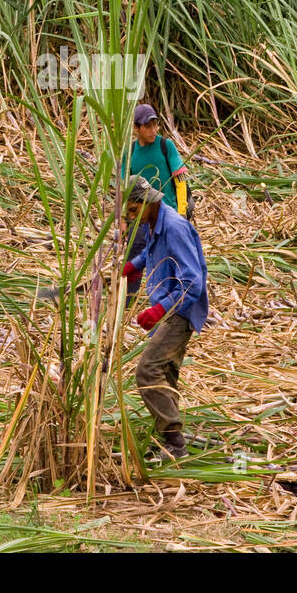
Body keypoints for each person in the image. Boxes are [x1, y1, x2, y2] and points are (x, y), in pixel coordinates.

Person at [121, 175, 208, 460]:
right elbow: (150, 252)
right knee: (165, 372)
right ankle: (173, 437)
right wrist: (132, 266)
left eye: (134, 211)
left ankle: (175, 443)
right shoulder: (154, 222)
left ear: (148, 202)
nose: (132, 218)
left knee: (147, 372)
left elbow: (192, 282)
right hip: (168, 308)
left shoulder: (174, 227)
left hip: (179, 311)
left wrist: (160, 309)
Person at [120, 103, 189, 294]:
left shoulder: (165, 146)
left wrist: (181, 213)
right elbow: (126, 190)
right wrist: (124, 220)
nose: (153, 130)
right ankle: (127, 301)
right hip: (140, 217)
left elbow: (181, 180)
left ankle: (173, 298)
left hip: (167, 214)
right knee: (134, 256)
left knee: (170, 258)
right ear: (136, 128)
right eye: (147, 126)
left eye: (155, 125)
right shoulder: (130, 152)